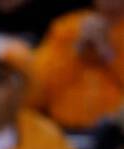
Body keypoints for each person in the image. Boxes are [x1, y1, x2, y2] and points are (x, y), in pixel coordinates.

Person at [29, 0, 124, 132]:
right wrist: (77, 50)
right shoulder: (67, 27)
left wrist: (106, 52)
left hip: (116, 135)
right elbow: (38, 83)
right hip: (63, 131)